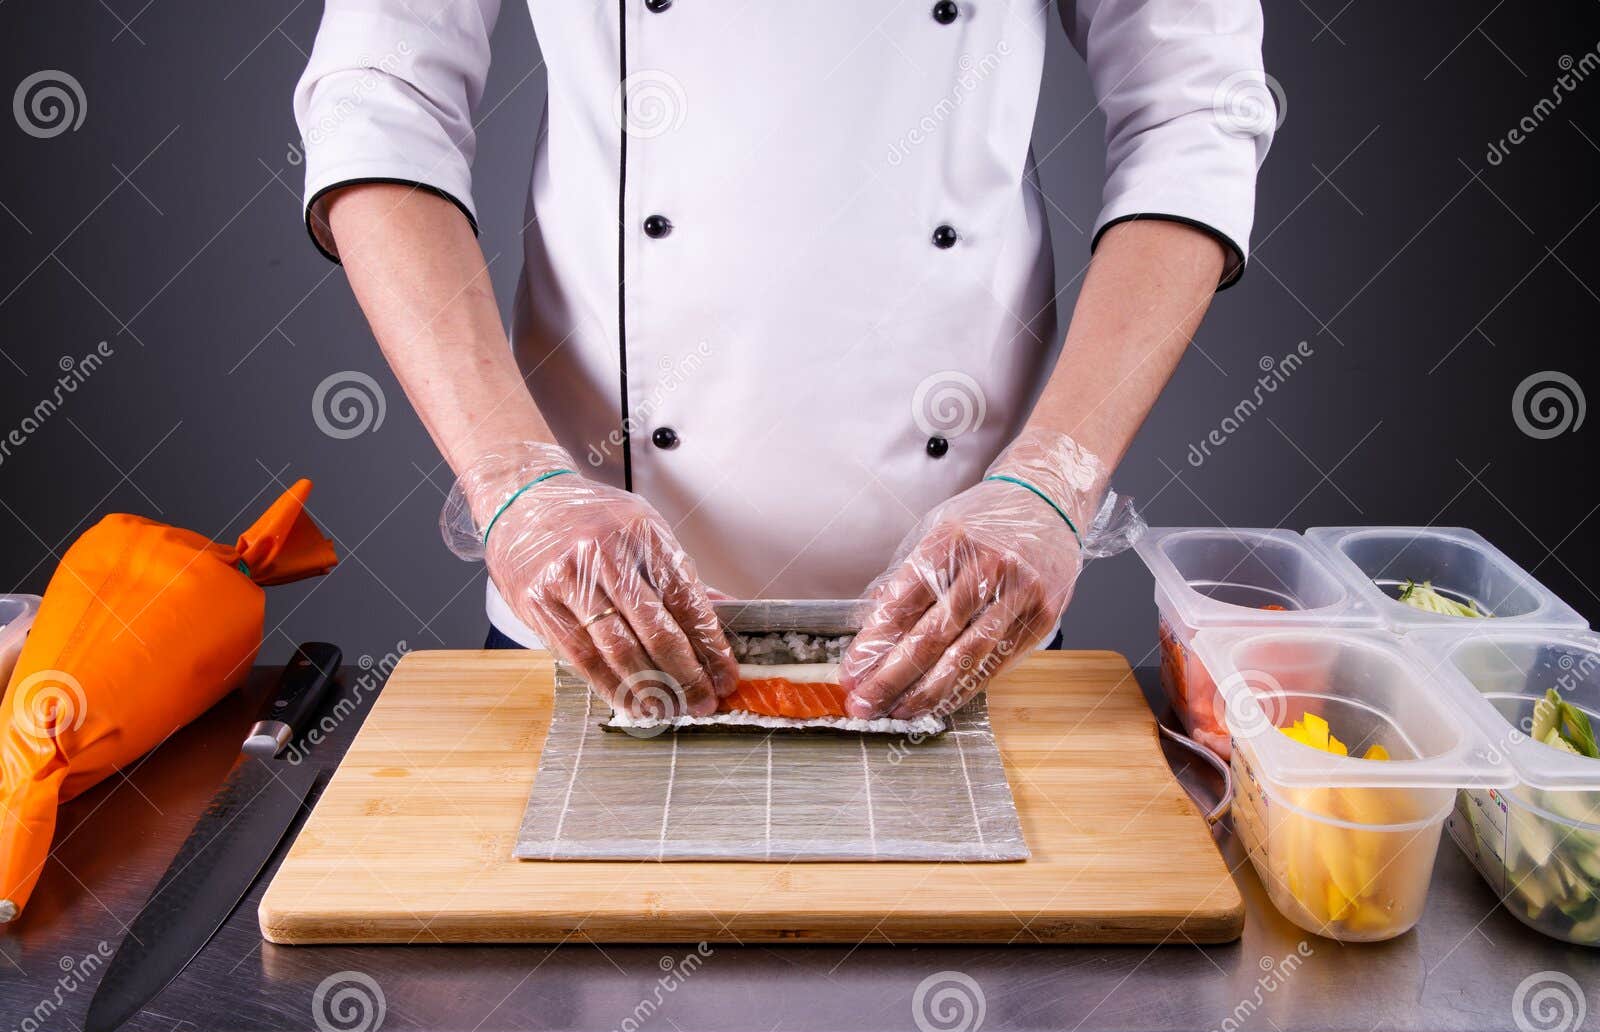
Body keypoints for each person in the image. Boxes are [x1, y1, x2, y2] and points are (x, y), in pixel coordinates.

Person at [294, 0, 1273, 719]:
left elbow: (1193, 113)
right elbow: (382, 99)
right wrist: (515, 486)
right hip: (590, 598)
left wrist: (1054, 480)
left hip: (971, 605)